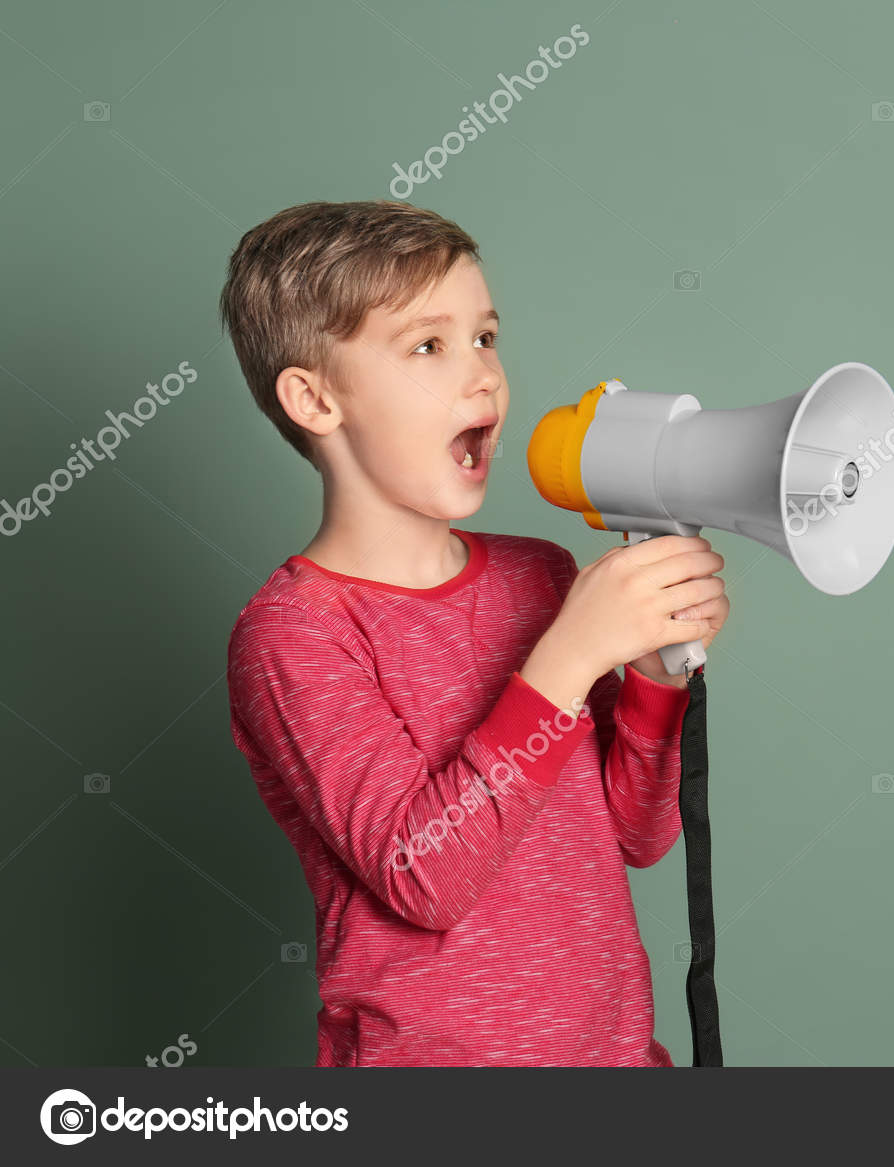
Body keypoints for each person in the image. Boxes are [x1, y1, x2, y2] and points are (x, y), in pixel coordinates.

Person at [220, 200, 728, 1066]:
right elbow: (427, 876)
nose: (484, 377)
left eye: (486, 337)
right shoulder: (294, 635)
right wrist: (568, 657)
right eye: (429, 345)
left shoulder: (539, 575)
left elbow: (637, 836)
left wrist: (651, 673)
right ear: (314, 398)